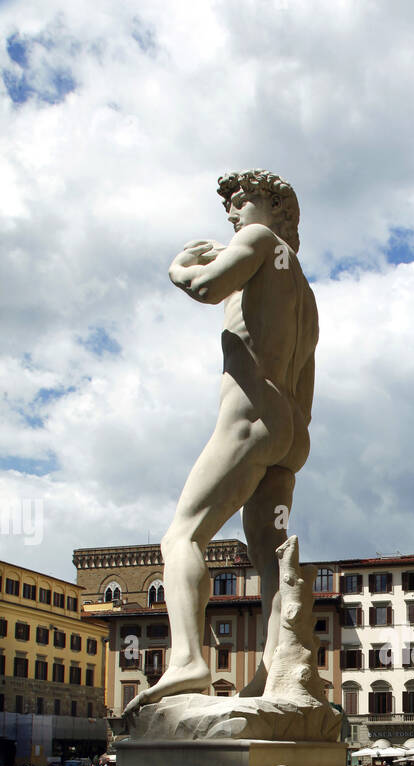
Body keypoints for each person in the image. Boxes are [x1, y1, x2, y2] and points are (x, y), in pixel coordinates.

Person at [124, 169, 318, 715]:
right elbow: (305, 382)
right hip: (290, 433)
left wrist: (179, 266)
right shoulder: (306, 293)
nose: (233, 213)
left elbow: (207, 289)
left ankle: (187, 659)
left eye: (243, 200)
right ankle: (276, 670)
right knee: (267, 554)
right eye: (229, 205)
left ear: (277, 210)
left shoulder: (258, 242)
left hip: (247, 417)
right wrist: (285, 436)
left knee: (181, 537)